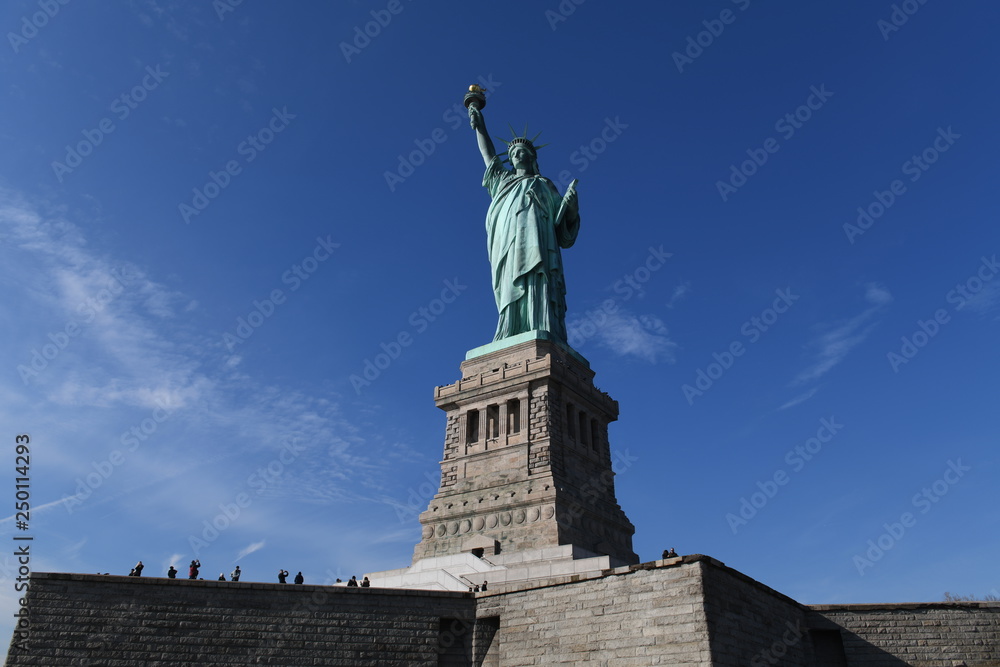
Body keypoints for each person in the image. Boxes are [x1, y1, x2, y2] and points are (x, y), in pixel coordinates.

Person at [468, 101, 580, 343]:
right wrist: (480, 127)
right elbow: (488, 155)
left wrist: (570, 209)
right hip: (508, 243)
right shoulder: (503, 182)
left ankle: (542, 325)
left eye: (523, 153)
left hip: (539, 244)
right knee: (510, 283)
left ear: (531, 158)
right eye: (513, 153)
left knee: (539, 277)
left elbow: (563, 231)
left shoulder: (545, 185)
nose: (518, 155)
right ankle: (509, 329)